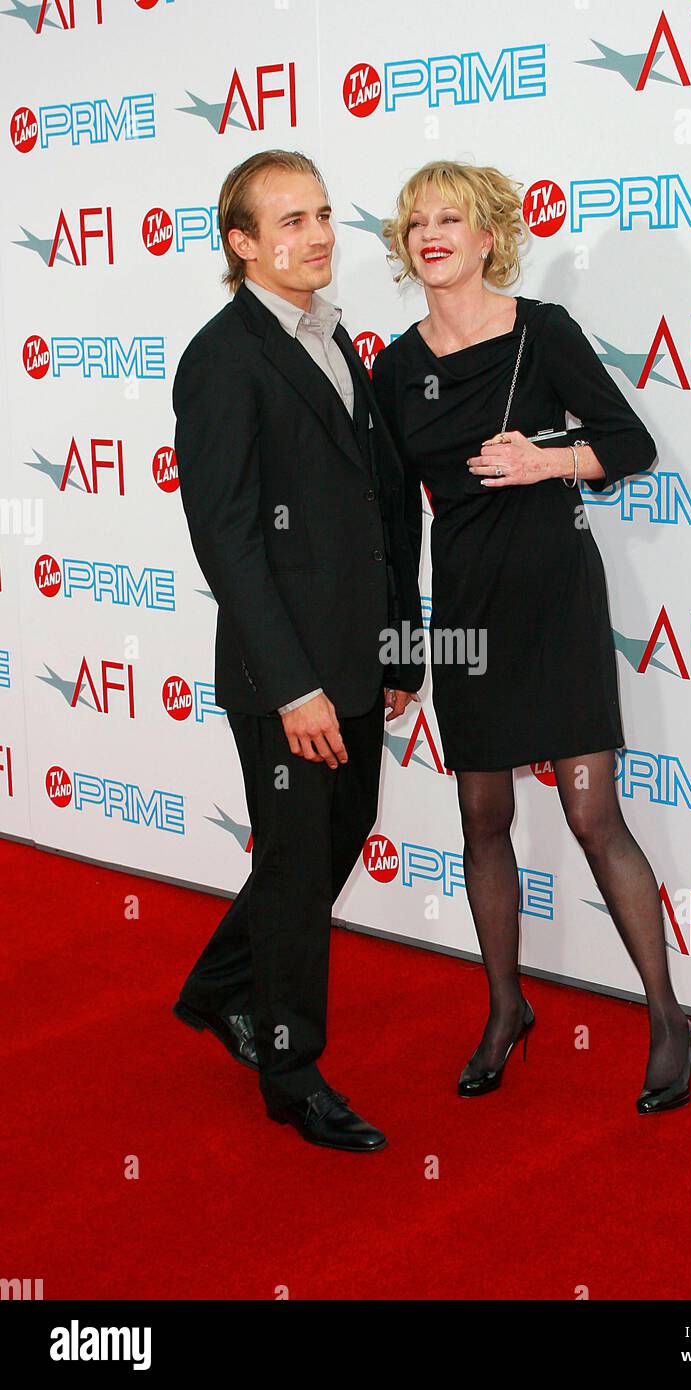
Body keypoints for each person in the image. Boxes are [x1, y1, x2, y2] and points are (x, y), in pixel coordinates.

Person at [372, 160, 691, 1115]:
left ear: (488, 237)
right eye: (417, 220)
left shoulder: (540, 334)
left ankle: (669, 1020)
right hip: (468, 617)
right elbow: (396, 521)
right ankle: (506, 1007)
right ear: (406, 244)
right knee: (482, 819)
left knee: (594, 817)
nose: (433, 232)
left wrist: (547, 457)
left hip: (556, 605)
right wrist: (404, 650)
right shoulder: (394, 369)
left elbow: (630, 444)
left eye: (453, 218)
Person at [171, 149, 424, 1151]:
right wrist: (294, 688)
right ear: (240, 244)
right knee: (292, 869)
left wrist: (401, 644)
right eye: (287, 222)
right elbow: (227, 538)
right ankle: (289, 1069)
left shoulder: (333, 335)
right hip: (289, 678)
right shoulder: (222, 357)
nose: (315, 235)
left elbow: (379, 507)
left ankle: (214, 987)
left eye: (320, 215)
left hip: (359, 655)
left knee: (330, 838)